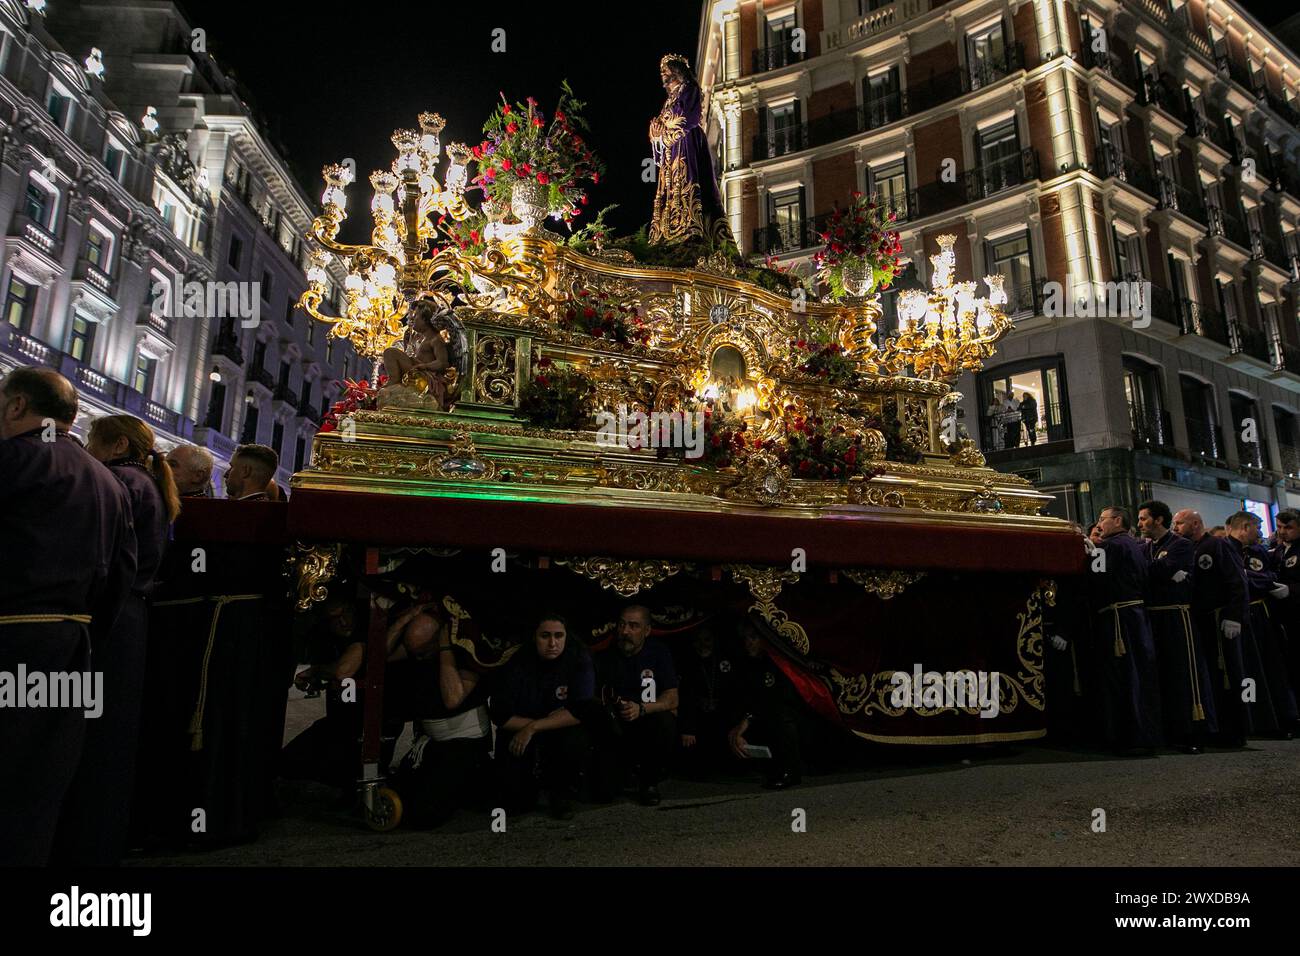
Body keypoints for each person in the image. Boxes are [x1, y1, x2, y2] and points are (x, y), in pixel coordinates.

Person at [0, 368, 137, 865]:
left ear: (17, 407)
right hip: (74, 648)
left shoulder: (13, 459)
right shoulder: (109, 481)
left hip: (10, 638)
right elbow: (122, 576)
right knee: (39, 789)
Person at [51, 415, 180, 865]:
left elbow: (105, 557)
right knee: (112, 734)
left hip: (110, 618)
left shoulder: (120, 482)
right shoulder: (147, 483)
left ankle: (85, 842)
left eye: (92, 439)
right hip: (130, 618)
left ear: (118, 443)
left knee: (95, 735)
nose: (87, 446)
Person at [490, 615, 594, 820]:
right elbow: (500, 716)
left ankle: (561, 794)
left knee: (573, 739)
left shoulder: (578, 659)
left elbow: (582, 711)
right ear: (534, 637)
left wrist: (535, 727)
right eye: (545, 636)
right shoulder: (516, 662)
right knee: (516, 804)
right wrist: (531, 728)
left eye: (558, 636)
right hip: (520, 729)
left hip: (555, 731)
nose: (552, 643)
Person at [1137, 499, 1215, 752]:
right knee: (1160, 675)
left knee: (1184, 674)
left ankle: (1192, 733)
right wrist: (1160, 570)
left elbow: (1157, 570)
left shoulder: (1180, 544)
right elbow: (1145, 573)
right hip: (1154, 617)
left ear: (1159, 520)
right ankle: (1167, 731)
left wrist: (1159, 570)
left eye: (1144, 518)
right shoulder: (1146, 547)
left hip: (1176, 617)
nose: (1140, 524)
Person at [1087, 506, 1161, 752]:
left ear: (1117, 520)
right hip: (1136, 616)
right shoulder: (1132, 545)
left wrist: (1088, 553)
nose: (1098, 525)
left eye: (1102, 519)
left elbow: (1096, 580)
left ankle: (1125, 736)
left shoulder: (1110, 547)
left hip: (1119, 620)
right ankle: (1144, 734)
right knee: (1140, 676)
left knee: (1122, 677)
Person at [1173, 509, 1249, 747]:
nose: (1175, 528)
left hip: (1221, 619)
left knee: (1228, 674)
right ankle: (1215, 728)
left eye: (1179, 523)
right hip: (1201, 620)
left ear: (1195, 524)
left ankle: (1235, 731)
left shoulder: (1217, 546)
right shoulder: (1189, 549)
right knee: (1210, 677)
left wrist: (1235, 615)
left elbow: (1237, 580)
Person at [592, 605, 679, 806]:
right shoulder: (604, 656)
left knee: (665, 720)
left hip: (646, 719)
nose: (625, 632)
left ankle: (649, 783)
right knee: (602, 795)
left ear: (646, 631)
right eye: (622, 625)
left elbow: (672, 698)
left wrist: (640, 708)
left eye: (633, 626)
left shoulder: (659, 653)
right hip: (614, 724)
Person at [648, 53, 735, 248]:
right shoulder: (668, 103)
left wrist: (664, 130)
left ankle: (692, 227)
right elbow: (661, 129)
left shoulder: (689, 89)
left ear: (677, 71)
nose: (663, 73)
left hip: (688, 144)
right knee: (671, 192)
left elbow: (688, 118)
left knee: (689, 183)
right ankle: (669, 232)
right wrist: (656, 137)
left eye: (667, 69)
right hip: (672, 153)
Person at [1224, 511, 1298, 738]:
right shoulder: (1225, 549)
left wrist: (1246, 576)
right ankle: (1254, 716)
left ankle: (1282, 717)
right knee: (1249, 672)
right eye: (1257, 527)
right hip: (1242, 616)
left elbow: (1269, 578)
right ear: (1246, 527)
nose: (1263, 533)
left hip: (1263, 616)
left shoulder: (1259, 552)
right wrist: (1247, 577)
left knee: (1273, 668)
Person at [727, 620, 804, 788]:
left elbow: (779, 700)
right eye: (746, 638)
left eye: (753, 638)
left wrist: (748, 720)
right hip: (755, 716)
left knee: (781, 720)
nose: (749, 643)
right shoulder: (744, 665)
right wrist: (738, 726)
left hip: (780, 715)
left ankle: (789, 771)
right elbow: (743, 698)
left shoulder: (777, 664)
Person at [675, 624, 735, 779]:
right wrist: (688, 728)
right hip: (697, 717)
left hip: (722, 715)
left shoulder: (724, 659)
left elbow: (733, 693)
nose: (703, 645)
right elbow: (685, 697)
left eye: (707, 640)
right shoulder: (687, 663)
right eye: (698, 640)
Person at [381, 299, 449, 405]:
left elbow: (442, 363)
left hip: (424, 377)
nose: (412, 318)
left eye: (416, 315)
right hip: (415, 372)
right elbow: (411, 356)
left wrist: (425, 366)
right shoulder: (418, 338)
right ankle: (395, 380)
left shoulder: (435, 339)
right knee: (390, 353)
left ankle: (394, 380)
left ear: (426, 319)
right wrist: (406, 343)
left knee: (390, 352)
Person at [1272, 509, 1300, 695]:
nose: (1282, 532)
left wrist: (1291, 590)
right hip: (1286, 616)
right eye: (1279, 527)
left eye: (1288, 528)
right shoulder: (1279, 550)